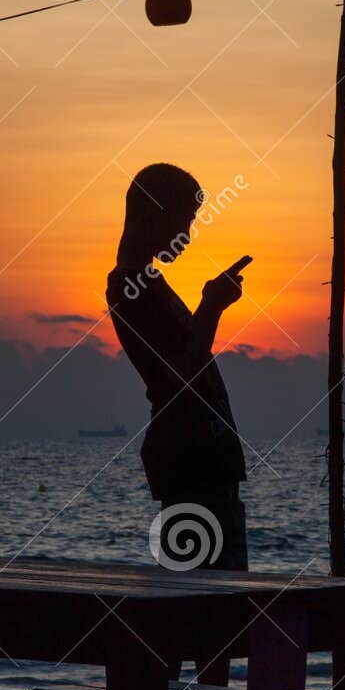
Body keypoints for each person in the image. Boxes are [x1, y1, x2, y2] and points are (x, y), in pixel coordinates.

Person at [107, 162, 250, 600]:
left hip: (205, 465)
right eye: (183, 221)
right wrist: (212, 306)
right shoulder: (129, 287)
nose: (187, 235)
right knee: (203, 605)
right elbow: (178, 376)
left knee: (215, 603)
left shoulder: (148, 283)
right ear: (153, 215)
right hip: (190, 465)